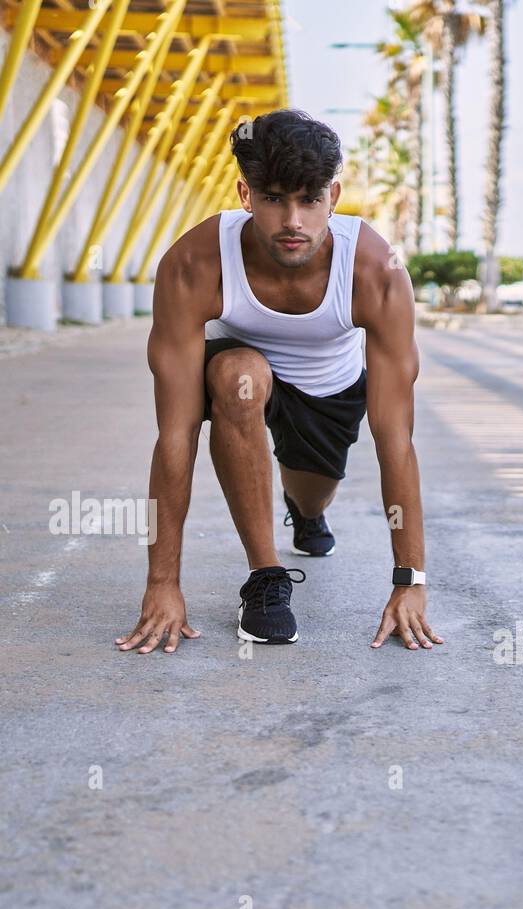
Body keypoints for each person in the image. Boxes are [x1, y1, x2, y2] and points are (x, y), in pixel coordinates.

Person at [116, 109, 440, 652]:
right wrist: (162, 583)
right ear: (246, 194)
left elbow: (395, 439)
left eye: (309, 200)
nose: (293, 220)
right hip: (240, 372)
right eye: (273, 199)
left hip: (327, 388)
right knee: (239, 378)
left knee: (312, 493)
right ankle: (265, 577)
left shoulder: (376, 270)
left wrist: (410, 582)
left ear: (333, 197)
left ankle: (306, 514)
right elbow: (174, 436)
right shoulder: (193, 263)